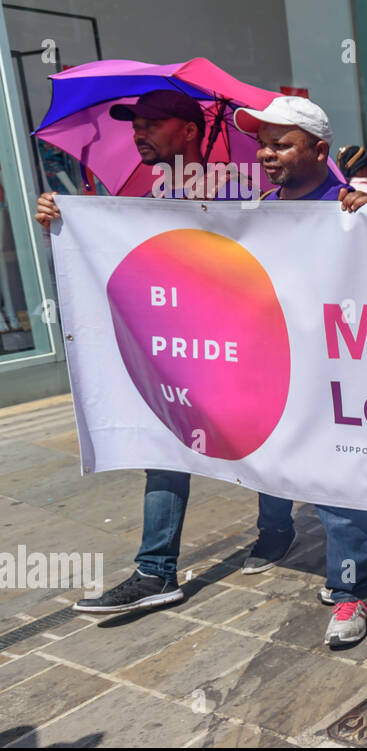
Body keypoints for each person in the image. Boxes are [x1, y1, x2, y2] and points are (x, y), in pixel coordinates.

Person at [32, 90, 320, 616]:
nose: (138, 133)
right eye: (134, 124)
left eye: (150, 123)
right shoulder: (140, 195)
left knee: (266, 439)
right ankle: (155, 570)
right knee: (164, 451)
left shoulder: (238, 187)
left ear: (188, 130)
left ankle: (276, 528)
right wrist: (63, 222)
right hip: (180, 351)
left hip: (245, 349)